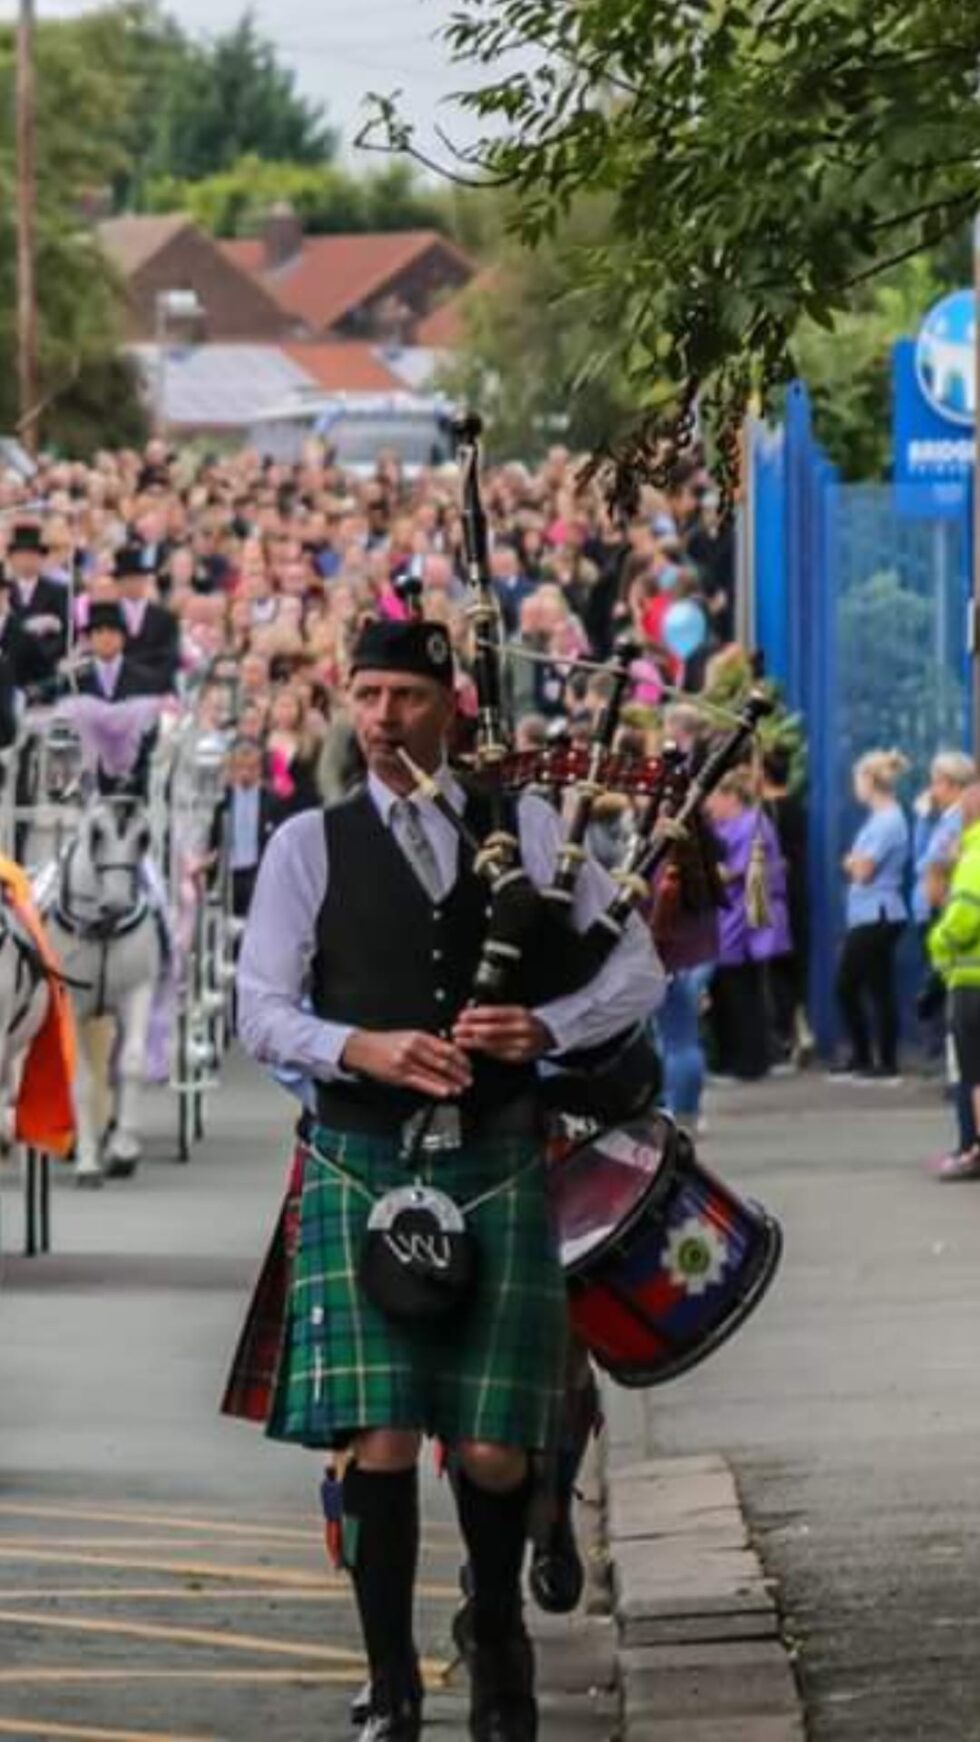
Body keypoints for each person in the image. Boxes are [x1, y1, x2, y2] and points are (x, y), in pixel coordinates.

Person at [232, 616, 662, 1742]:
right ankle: (391, 1682)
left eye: (407, 697)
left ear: (450, 706)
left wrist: (547, 1026)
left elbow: (638, 969)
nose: (384, 719)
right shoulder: (307, 844)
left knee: (490, 1445)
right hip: (358, 1155)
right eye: (367, 695)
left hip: (493, 1151)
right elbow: (259, 1009)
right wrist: (357, 1047)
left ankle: (500, 1645)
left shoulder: (529, 827)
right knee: (377, 1435)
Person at [706, 768, 790, 1082]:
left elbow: (740, 870)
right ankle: (734, 1059)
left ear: (731, 797)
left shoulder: (752, 824)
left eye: (714, 797)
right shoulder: (727, 825)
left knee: (742, 992)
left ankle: (750, 1062)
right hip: (731, 917)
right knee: (731, 991)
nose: (710, 805)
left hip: (744, 918)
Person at [833, 749, 910, 1083]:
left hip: (877, 913)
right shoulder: (883, 819)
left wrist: (851, 861)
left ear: (869, 780)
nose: (855, 787)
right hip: (873, 913)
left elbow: (863, 870)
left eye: (858, 779)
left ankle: (869, 1058)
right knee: (878, 987)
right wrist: (854, 861)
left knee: (847, 986)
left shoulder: (887, 821)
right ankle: (876, 1060)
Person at [929, 783, 980, 1180]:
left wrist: (939, 946)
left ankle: (973, 1150)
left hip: (971, 980)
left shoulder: (974, 857)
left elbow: (964, 916)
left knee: (973, 1075)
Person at [208, 737, 288, 918]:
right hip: (230, 873)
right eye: (240, 767)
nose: (245, 773)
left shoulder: (271, 802)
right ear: (232, 769)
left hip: (257, 873)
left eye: (252, 768)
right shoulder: (223, 802)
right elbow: (214, 841)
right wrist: (211, 880)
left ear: (260, 769)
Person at [112, 544, 180, 691]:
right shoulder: (108, 615)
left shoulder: (165, 618)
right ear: (118, 582)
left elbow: (169, 657)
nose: (134, 583)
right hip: (118, 688)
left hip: (156, 687)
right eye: (129, 578)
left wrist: (148, 681)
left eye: (138, 578)